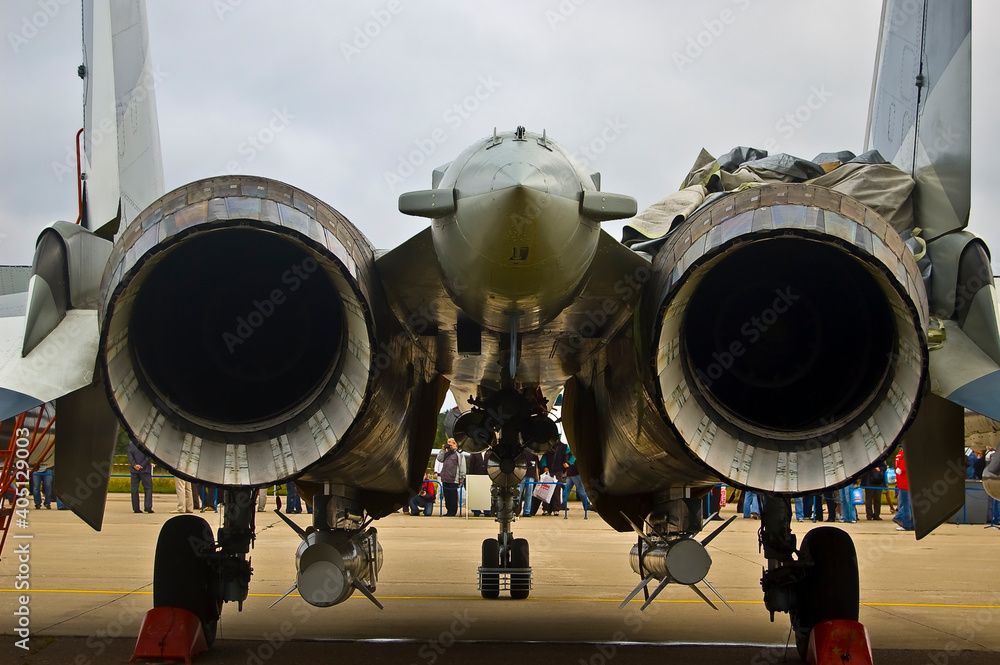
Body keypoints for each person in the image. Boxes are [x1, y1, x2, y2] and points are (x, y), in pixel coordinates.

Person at [437, 438, 466, 516]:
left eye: (451, 443)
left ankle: (453, 511)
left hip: (454, 478)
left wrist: (461, 477)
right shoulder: (446, 453)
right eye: (448, 443)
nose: (449, 445)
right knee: (447, 496)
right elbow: (439, 459)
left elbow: (462, 466)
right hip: (445, 478)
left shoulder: (459, 454)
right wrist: (443, 450)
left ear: (455, 444)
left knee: (453, 496)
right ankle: (448, 510)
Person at [561, 444, 591, 515]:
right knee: (581, 489)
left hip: (570, 472)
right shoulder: (575, 452)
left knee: (567, 489)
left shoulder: (567, 452)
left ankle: (563, 504)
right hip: (576, 472)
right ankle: (586, 505)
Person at [127, 441, 154, 514]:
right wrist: (142, 465)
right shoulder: (147, 443)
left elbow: (130, 455)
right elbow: (149, 456)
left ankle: (136, 508)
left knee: (134, 489)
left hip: (134, 470)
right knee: (148, 488)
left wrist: (134, 465)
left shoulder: (131, 443)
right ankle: (148, 507)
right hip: (145, 470)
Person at [894, 447, 913, 531]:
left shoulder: (900, 455)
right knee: (908, 506)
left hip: (902, 484)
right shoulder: (905, 455)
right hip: (906, 483)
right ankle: (909, 524)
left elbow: (899, 470)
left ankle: (904, 523)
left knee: (905, 505)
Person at [466, 451, 491, 517]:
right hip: (476, 476)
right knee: (476, 493)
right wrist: (471, 476)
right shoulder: (475, 453)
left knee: (487, 494)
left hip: (487, 476)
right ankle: (476, 511)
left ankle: (487, 511)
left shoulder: (490, 452)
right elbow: (471, 465)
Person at [522, 450, 539, 516]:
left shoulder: (534, 453)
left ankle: (526, 511)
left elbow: (537, 465)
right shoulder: (533, 452)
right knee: (521, 494)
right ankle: (525, 511)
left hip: (528, 474)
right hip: (525, 474)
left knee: (527, 494)